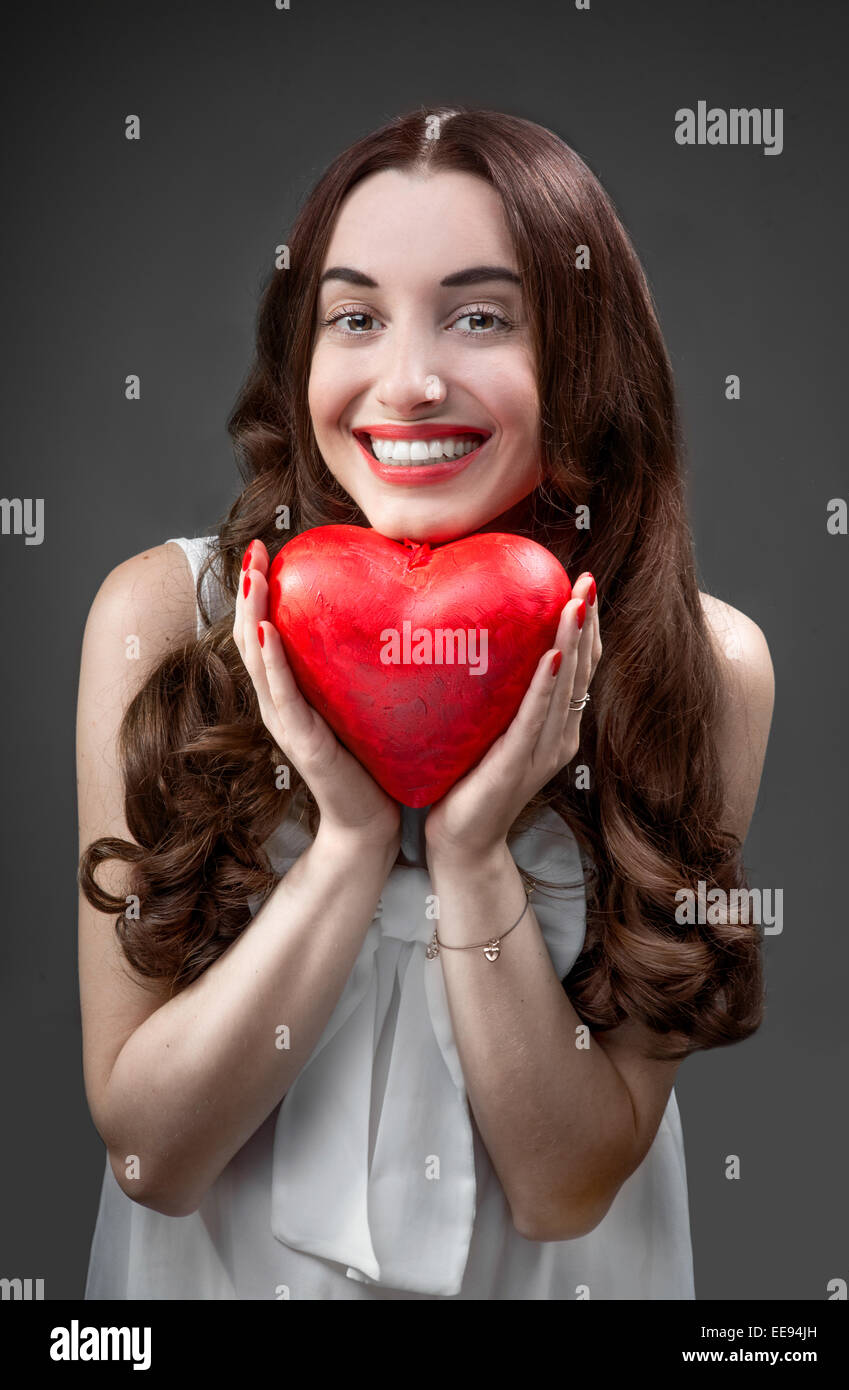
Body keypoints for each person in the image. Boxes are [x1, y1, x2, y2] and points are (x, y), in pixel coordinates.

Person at [76, 106, 774, 1300]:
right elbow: (153, 1154)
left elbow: (566, 1187)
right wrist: (350, 845)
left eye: (482, 316)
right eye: (356, 317)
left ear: (583, 356)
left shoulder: (695, 665)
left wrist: (470, 855)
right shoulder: (164, 616)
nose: (407, 381)